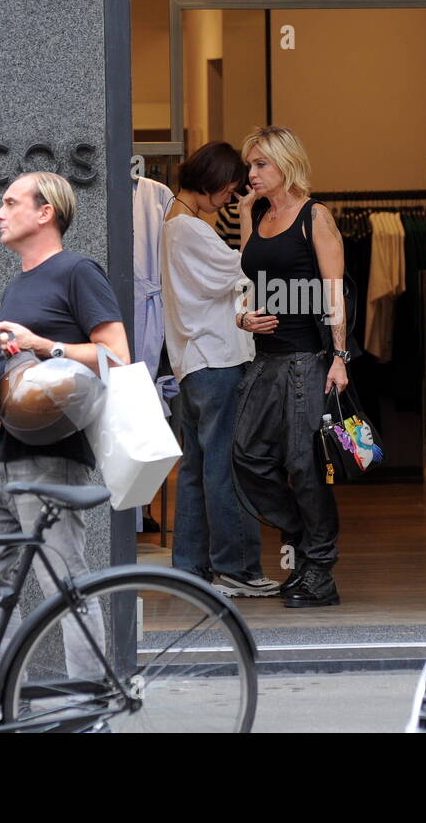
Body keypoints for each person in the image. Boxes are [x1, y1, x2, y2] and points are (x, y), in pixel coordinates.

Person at [0, 171, 130, 685]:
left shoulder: (78, 272)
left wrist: (45, 345)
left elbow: (117, 357)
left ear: (44, 212)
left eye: (10, 203)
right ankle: (5, 697)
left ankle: (90, 701)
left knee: (64, 582)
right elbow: (5, 390)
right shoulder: (16, 286)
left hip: (53, 457)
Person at [232, 126, 348, 609]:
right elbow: (244, 281)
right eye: (249, 165)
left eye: (260, 164)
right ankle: (305, 539)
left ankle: (319, 569)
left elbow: (335, 292)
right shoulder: (253, 213)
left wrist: (340, 357)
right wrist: (243, 316)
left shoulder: (315, 216)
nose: (251, 173)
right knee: (246, 456)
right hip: (265, 358)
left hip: (306, 359)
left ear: (286, 164)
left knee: (305, 466)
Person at [161, 142, 278, 597]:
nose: (230, 199)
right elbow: (244, 266)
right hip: (217, 360)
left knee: (196, 466)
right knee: (227, 466)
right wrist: (249, 215)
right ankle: (237, 567)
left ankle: (190, 569)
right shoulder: (187, 228)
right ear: (211, 183)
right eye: (229, 191)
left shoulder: (175, 223)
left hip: (193, 361)